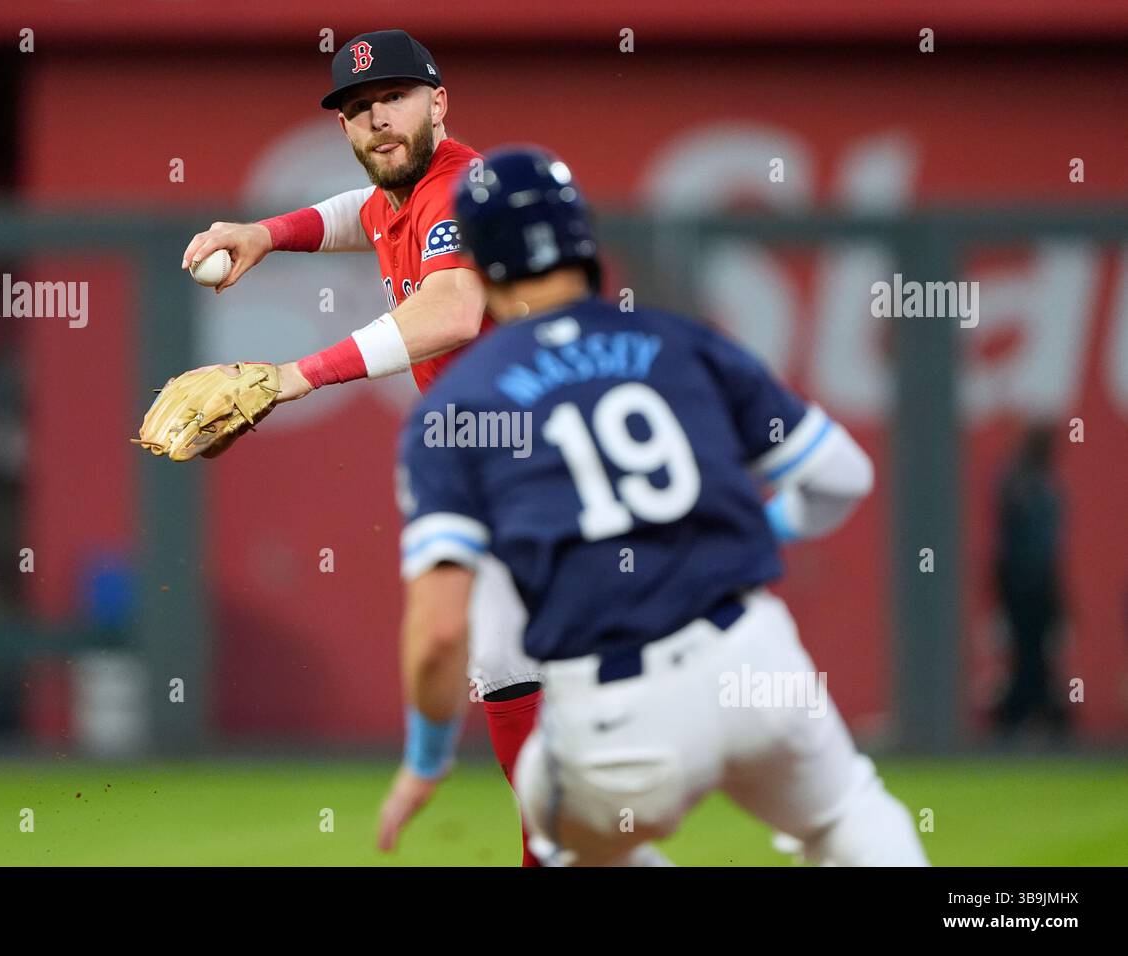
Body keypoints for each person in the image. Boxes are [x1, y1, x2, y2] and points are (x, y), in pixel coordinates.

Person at [380, 145, 929, 866]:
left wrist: (425, 759)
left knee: (560, 839)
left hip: (617, 710)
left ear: (476, 266)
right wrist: (752, 525)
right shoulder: (681, 343)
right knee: (846, 812)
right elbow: (842, 478)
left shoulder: (457, 404)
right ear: (586, 241)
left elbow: (443, 631)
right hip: (754, 658)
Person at [179, 29, 572, 866]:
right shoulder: (407, 195)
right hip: (514, 465)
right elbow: (359, 217)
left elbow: (450, 312)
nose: (376, 120)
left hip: (553, 462)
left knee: (542, 680)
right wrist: (263, 233)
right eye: (357, 111)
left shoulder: (466, 185)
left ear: (438, 101)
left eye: (392, 98)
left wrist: (295, 377)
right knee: (511, 671)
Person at [994, 424, 1069, 742]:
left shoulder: (1027, 483)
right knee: (1029, 653)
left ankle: (1027, 714)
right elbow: (1025, 544)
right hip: (1028, 585)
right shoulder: (1030, 486)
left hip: (1028, 583)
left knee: (1033, 653)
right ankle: (1023, 715)